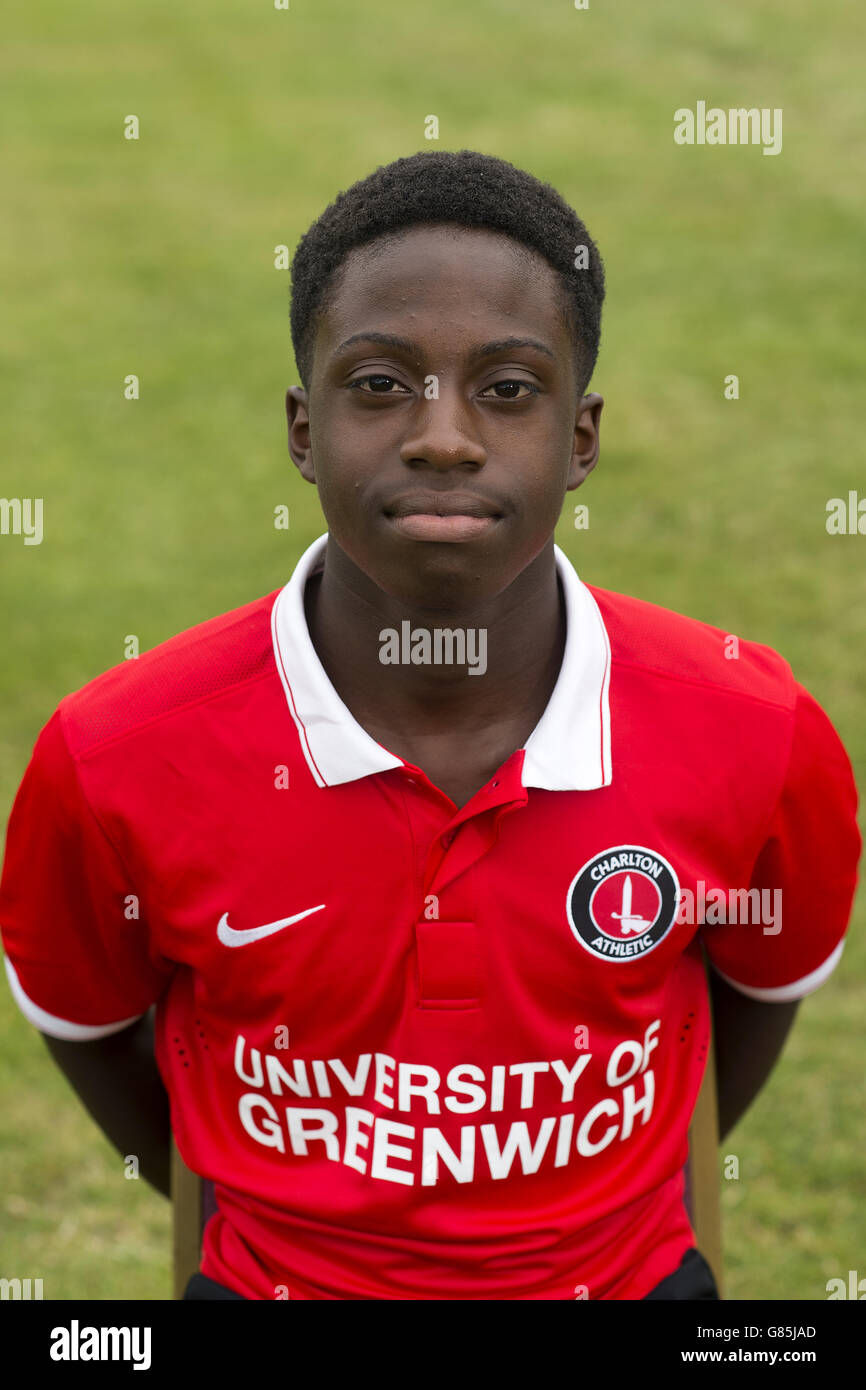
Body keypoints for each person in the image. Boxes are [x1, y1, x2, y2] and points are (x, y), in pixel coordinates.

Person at [0, 150, 860, 1301]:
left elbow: (756, 992)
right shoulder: (116, 752)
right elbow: (89, 1021)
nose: (442, 437)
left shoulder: (753, 726)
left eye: (506, 389)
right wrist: (274, 1201)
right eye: (377, 384)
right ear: (302, 432)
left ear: (581, 436)